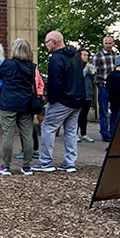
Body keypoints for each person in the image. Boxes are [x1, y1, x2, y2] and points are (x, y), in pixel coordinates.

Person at [32, 30, 85, 173]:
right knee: (71, 131)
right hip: (78, 99)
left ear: (54, 42)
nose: (46, 46)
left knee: (48, 127)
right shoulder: (75, 56)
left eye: (47, 42)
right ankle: (69, 163)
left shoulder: (56, 58)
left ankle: (46, 162)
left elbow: (56, 81)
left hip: (63, 100)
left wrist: (51, 100)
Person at [0, 38, 36, 175]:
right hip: (26, 103)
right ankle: (27, 166)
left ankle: (6, 166)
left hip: (9, 103)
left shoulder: (8, 64)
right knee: (27, 134)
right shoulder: (32, 67)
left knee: (8, 134)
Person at [92, 35, 116, 141]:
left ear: (113, 44)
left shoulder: (116, 56)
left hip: (113, 86)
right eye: (106, 43)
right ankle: (105, 133)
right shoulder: (98, 56)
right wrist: (99, 83)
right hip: (103, 85)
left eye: (110, 43)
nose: (108, 45)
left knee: (114, 109)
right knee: (103, 109)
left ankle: (113, 131)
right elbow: (94, 70)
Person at [77, 49, 95, 142]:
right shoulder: (76, 66)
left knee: (84, 115)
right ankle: (74, 134)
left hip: (88, 94)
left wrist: (93, 72)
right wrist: (86, 69)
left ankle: (83, 133)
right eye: (84, 55)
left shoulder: (88, 67)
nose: (86, 57)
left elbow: (93, 80)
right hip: (79, 94)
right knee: (78, 114)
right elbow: (79, 77)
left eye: (87, 55)